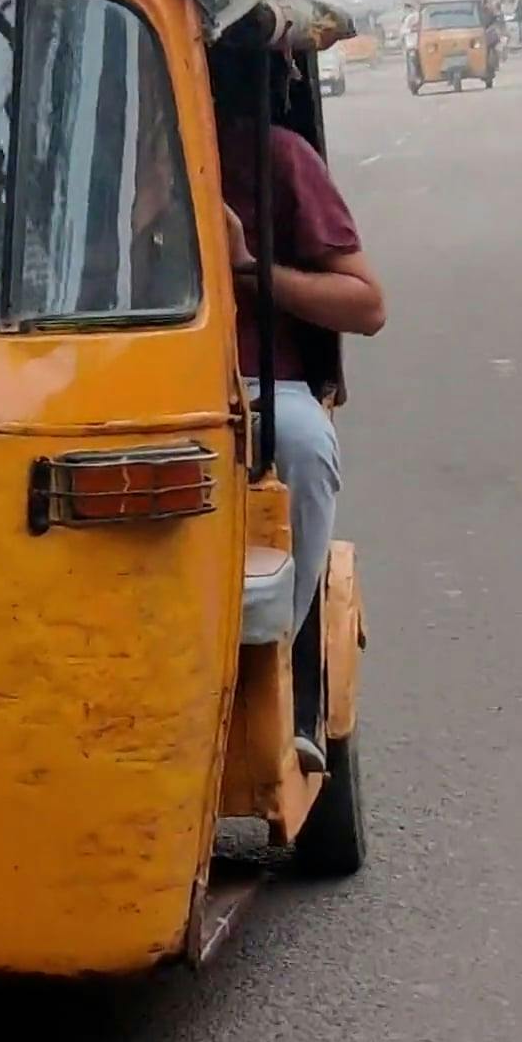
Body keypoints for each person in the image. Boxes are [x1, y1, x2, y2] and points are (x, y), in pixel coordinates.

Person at [218, 112, 386, 768]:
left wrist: (249, 270)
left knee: (304, 443)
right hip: (110, 380)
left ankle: (286, 659)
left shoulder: (272, 156)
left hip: (256, 386)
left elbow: (366, 304)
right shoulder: (75, 149)